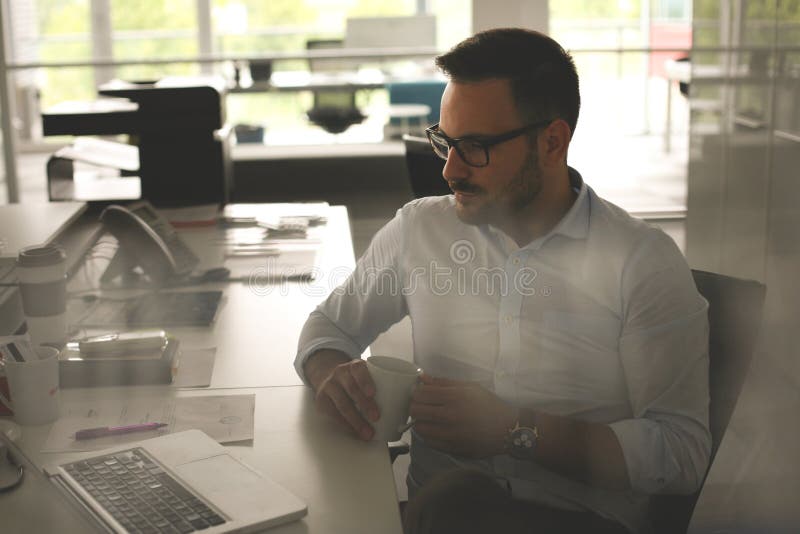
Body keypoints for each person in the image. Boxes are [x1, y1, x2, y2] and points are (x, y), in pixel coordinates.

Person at [294, 28, 710, 534]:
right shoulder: (421, 230)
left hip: (577, 521)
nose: (449, 170)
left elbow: (682, 453)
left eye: (475, 147)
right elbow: (328, 328)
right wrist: (331, 376)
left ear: (552, 142)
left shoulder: (642, 261)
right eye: (445, 142)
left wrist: (517, 430)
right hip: (436, 516)